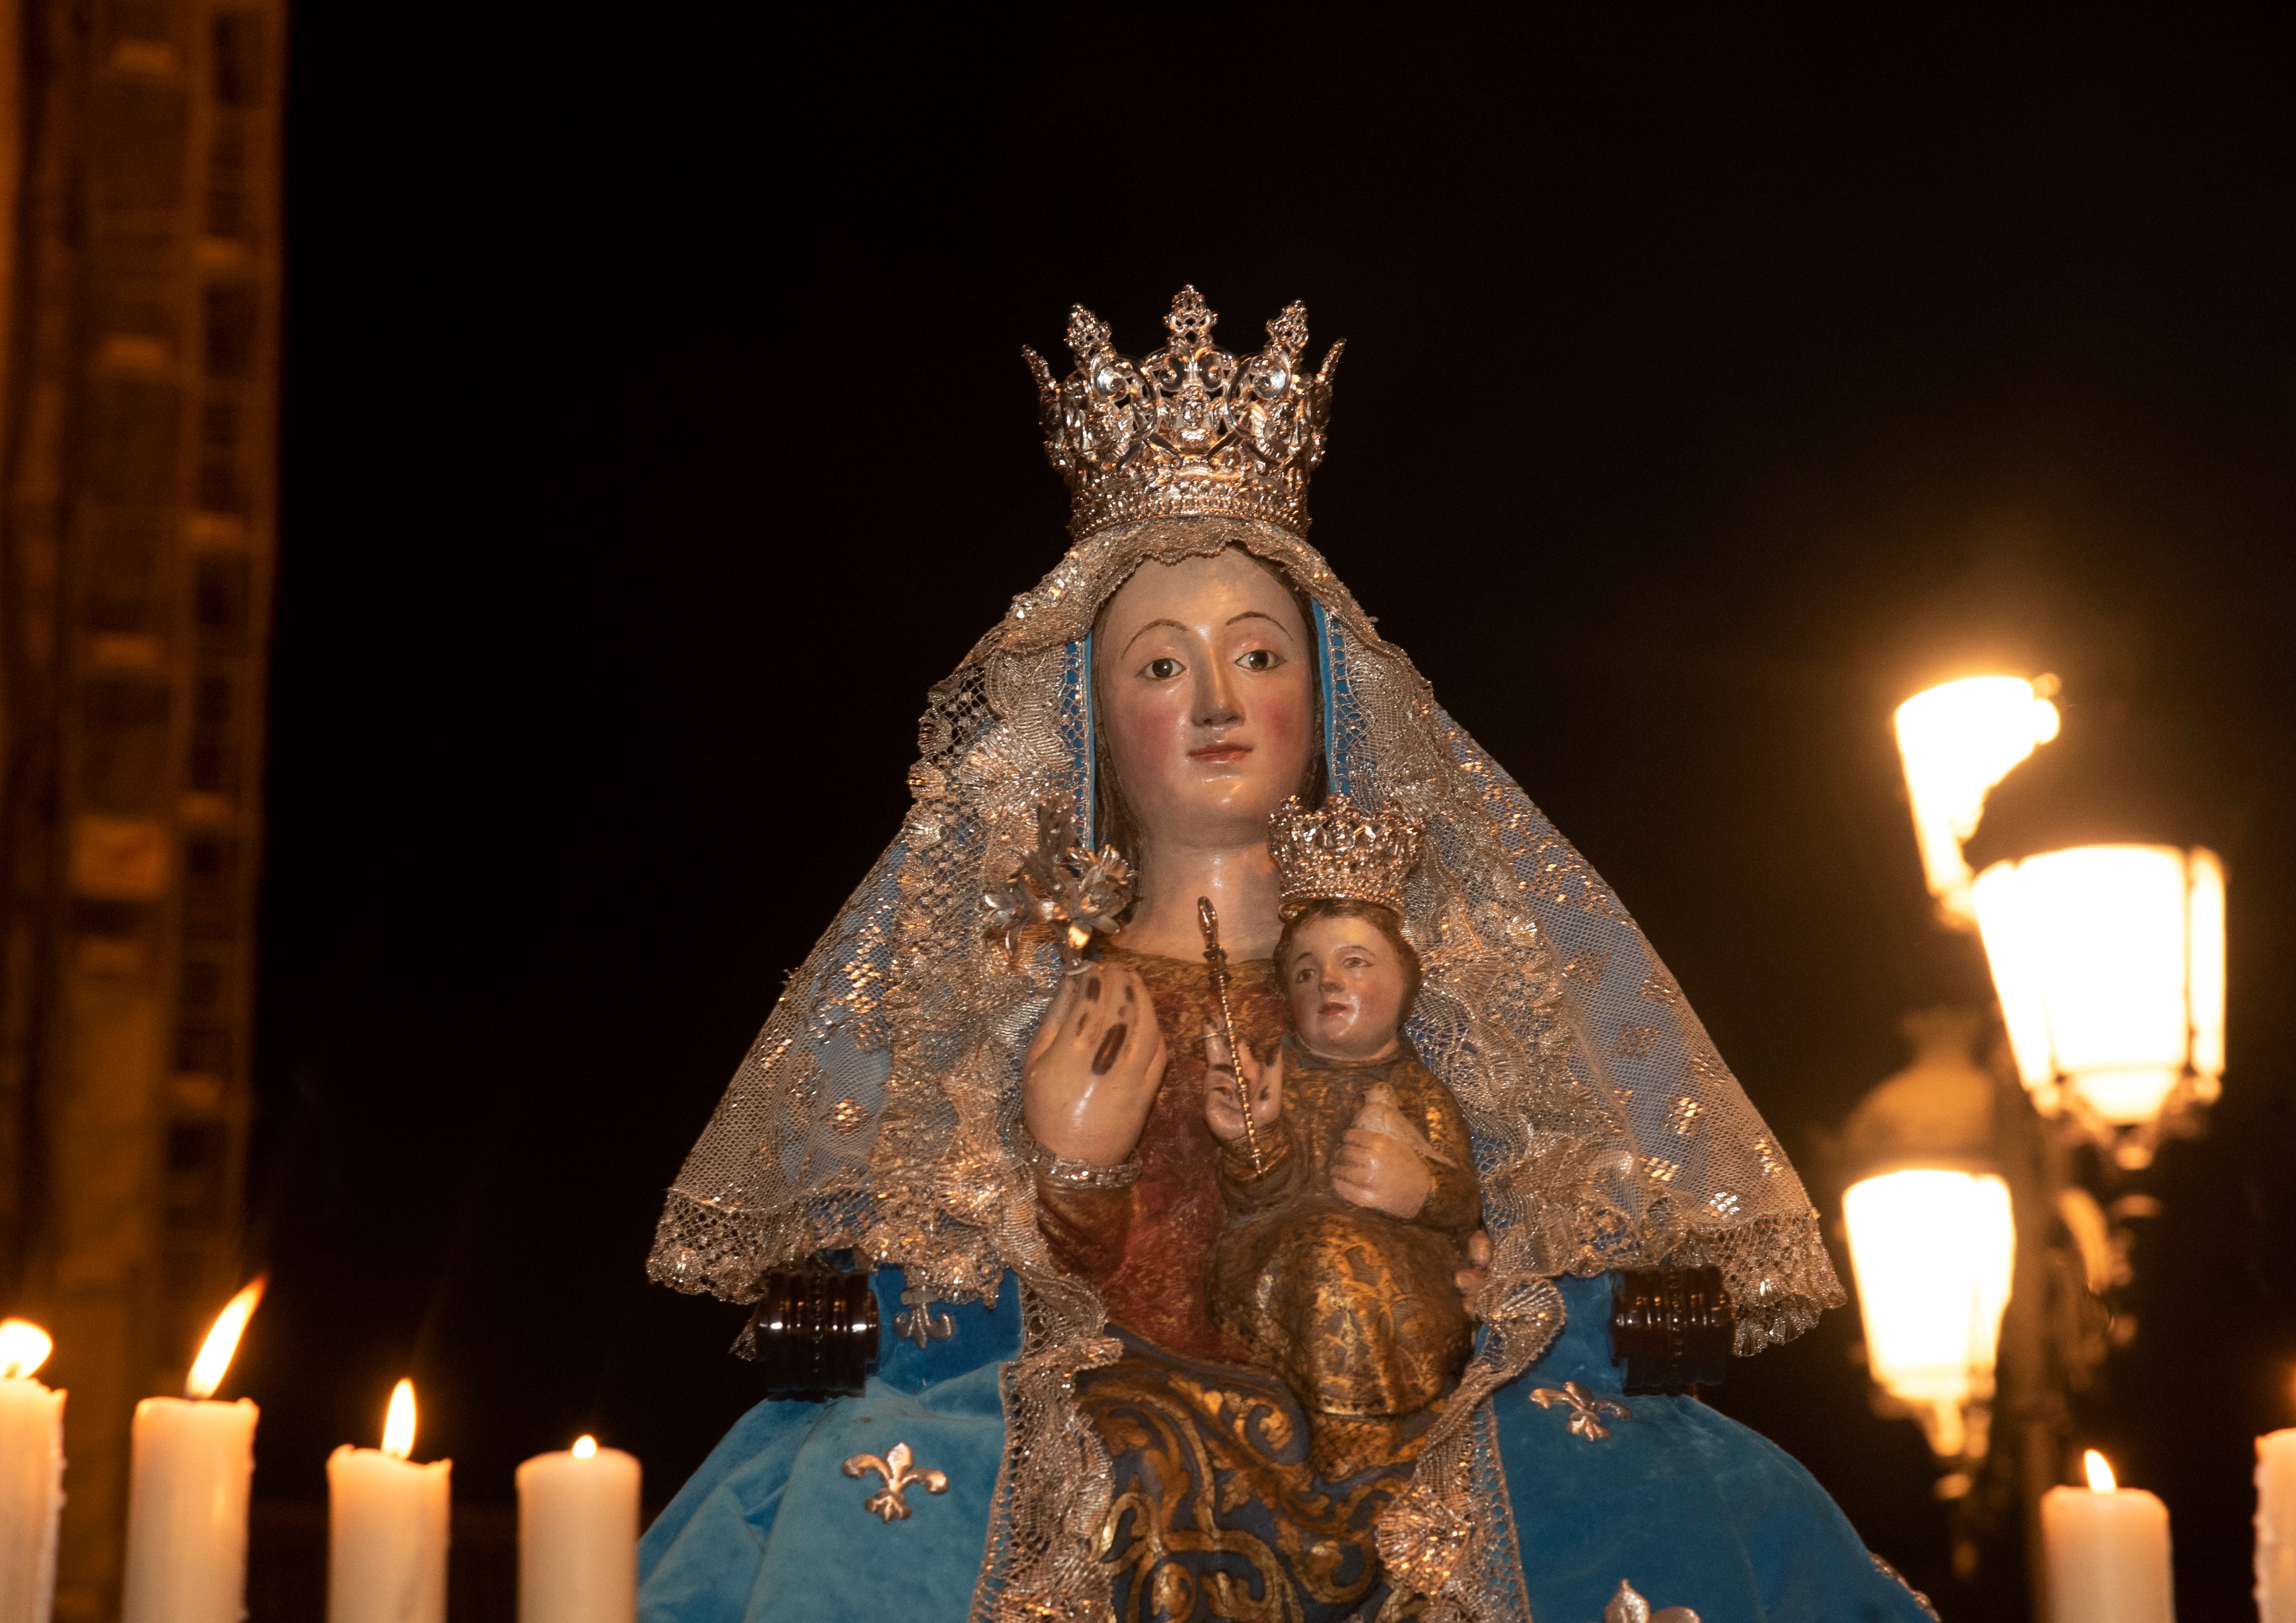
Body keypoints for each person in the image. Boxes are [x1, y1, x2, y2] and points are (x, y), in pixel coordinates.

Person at [638, 288, 1937, 1623]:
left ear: (1320, 695)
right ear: (1091, 720)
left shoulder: (1446, 983)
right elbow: (943, 1323)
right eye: (1160, 667)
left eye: (1256, 655)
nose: (1216, 701)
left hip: (1403, 1439)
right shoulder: (1027, 992)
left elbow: (1559, 1249)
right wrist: (1071, 1171)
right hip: (1130, 1464)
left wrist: (1482, 1250)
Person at [1200, 796, 1481, 1480]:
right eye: (1304, 971)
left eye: (1355, 962)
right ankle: (1349, 1442)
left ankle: (1391, 1441)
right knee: (1328, 1249)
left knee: (1365, 1267)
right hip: (1281, 1264)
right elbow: (1261, 1197)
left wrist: (1419, 1189)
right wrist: (1251, 1136)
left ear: (1405, 981)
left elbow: (1462, 1200)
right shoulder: (1280, 1074)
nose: (1327, 980)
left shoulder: (1421, 1091)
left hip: (1407, 1271)